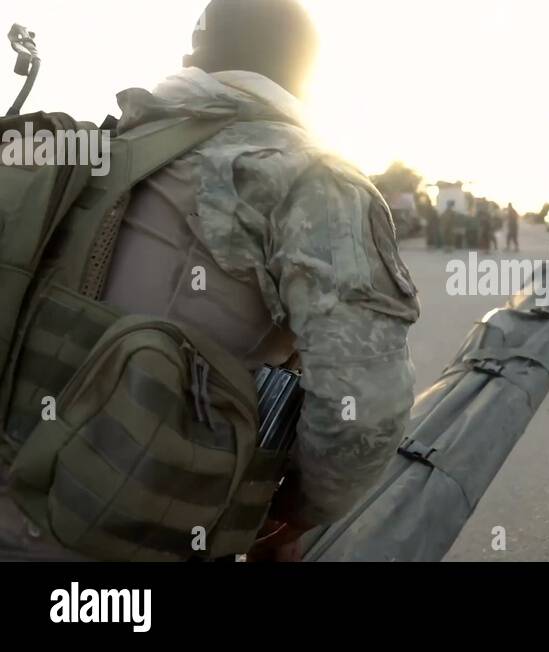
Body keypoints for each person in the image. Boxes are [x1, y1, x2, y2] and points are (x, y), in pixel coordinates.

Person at [0, 0, 421, 562]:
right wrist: (294, 512)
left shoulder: (103, 148)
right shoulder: (311, 176)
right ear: (304, 75)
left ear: (194, 57)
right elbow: (365, 407)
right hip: (114, 535)